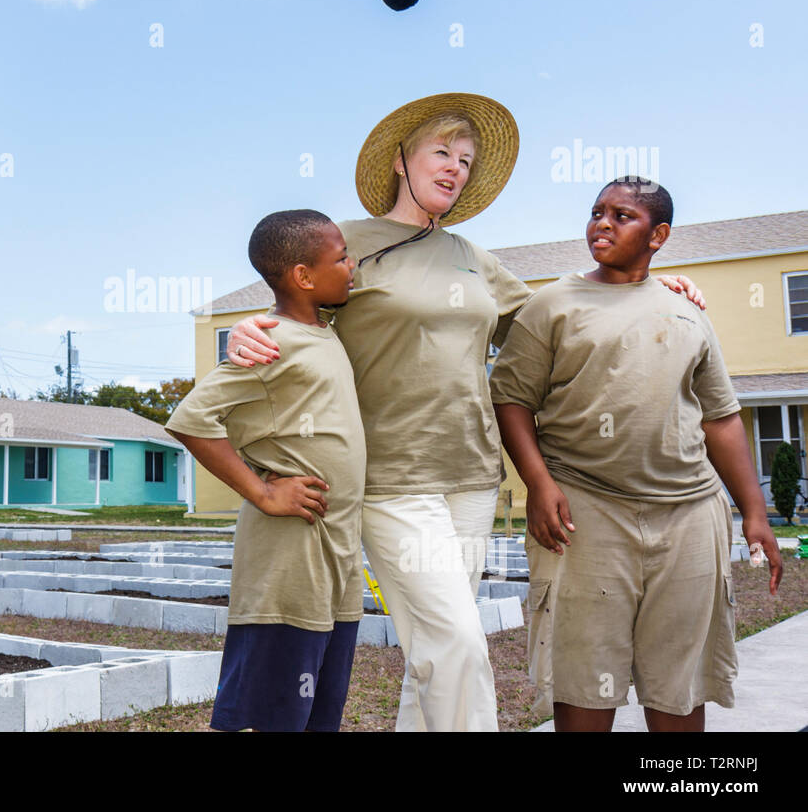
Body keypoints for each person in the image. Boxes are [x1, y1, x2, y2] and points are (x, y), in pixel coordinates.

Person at [225, 94, 707, 732]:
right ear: (401, 161)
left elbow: (551, 324)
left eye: (466, 160)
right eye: (442, 153)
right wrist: (244, 327)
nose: (455, 168)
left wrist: (646, 282)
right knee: (456, 645)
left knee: (432, 656)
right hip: (390, 479)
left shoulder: (471, 256)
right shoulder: (350, 245)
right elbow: (292, 302)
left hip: (474, 477)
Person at [490, 178, 782, 732]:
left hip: (689, 516)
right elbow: (510, 399)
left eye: (622, 215)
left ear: (659, 235)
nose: (602, 222)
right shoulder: (552, 304)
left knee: (680, 683)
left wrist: (754, 512)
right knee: (583, 677)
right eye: (597, 211)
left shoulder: (687, 310)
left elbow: (720, 417)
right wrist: (538, 483)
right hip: (585, 513)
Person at [166, 210, 366, 732]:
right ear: (303, 276)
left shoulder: (326, 331)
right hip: (287, 557)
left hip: (336, 552)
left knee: (319, 710)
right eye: (342, 257)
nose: (353, 265)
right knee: (267, 714)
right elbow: (191, 420)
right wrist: (263, 492)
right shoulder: (272, 343)